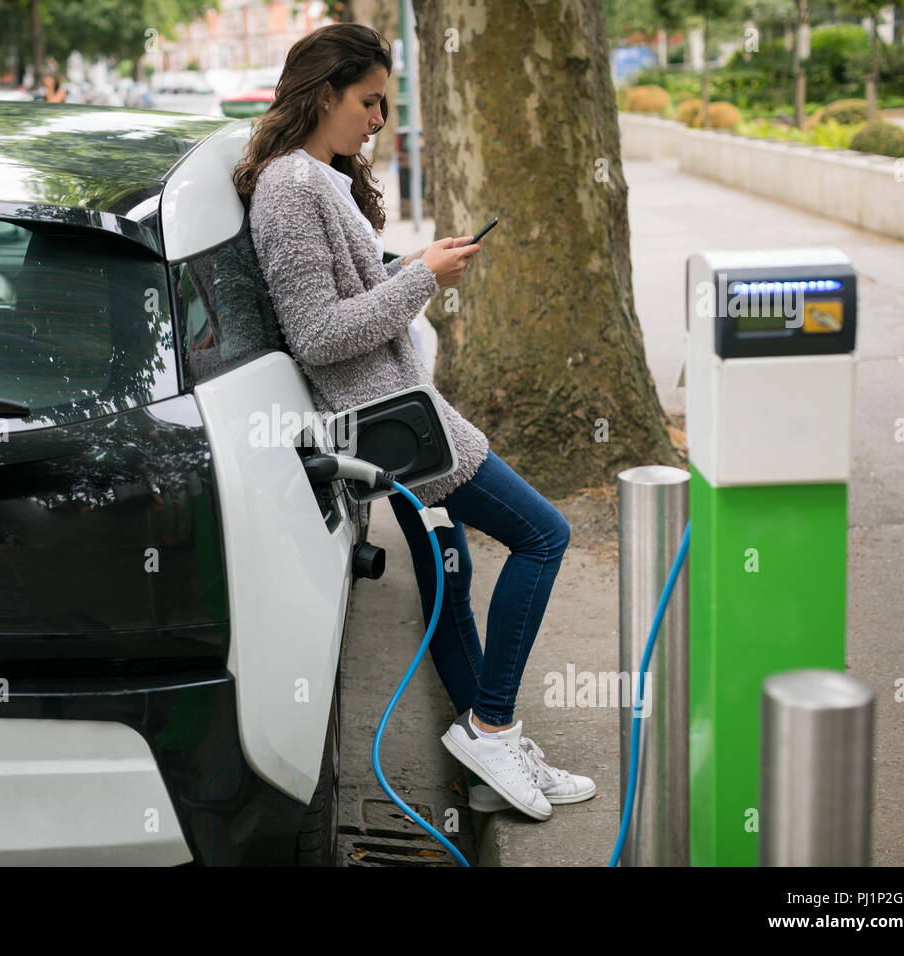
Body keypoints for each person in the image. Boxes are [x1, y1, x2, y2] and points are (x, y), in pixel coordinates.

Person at [237, 22, 594, 822]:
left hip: (396, 412)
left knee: (450, 572)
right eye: (368, 101)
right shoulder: (292, 188)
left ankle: (483, 759)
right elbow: (320, 334)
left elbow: (340, 300)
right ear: (323, 92)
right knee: (545, 535)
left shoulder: (314, 177)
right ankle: (493, 724)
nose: (378, 120)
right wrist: (421, 281)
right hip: (390, 421)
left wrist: (405, 268)